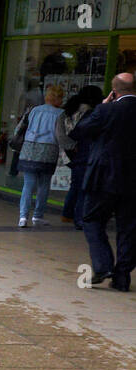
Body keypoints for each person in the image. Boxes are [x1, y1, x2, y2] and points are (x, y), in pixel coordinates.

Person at [73, 73, 136, 290]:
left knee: (91, 219)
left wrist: (100, 107)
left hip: (103, 178)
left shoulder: (106, 110)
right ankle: (122, 278)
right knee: (128, 228)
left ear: (114, 91)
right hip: (133, 182)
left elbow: (79, 131)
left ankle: (103, 265)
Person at [16, 84, 65, 227]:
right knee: (44, 185)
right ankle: (38, 215)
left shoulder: (34, 110)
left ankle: (23, 217)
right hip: (48, 150)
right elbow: (61, 135)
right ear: (58, 98)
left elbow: (19, 128)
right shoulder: (60, 114)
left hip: (29, 149)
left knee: (28, 185)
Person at [59, 85, 104, 227]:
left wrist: (70, 147)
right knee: (83, 188)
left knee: (76, 185)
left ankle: (67, 214)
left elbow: (63, 133)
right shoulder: (90, 112)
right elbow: (82, 131)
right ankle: (78, 218)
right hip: (83, 152)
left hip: (69, 152)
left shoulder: (67, 110)